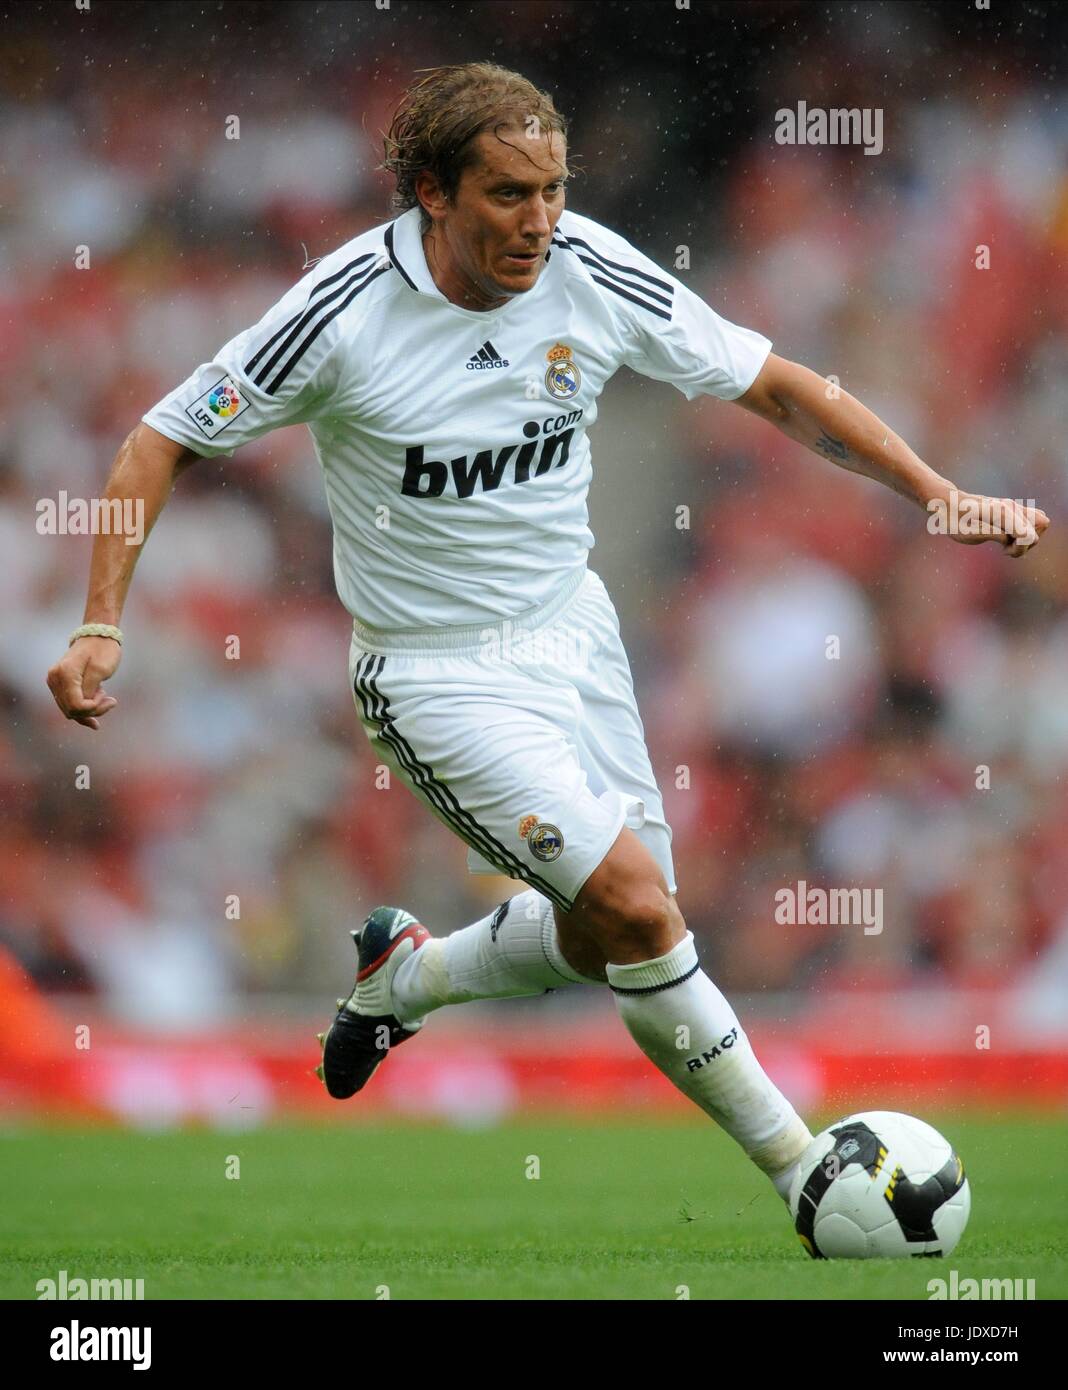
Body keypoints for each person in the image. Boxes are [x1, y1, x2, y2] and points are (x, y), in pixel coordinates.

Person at [47, 62, 1049, 1211]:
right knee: (638, 908)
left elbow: (773, 384)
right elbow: (159, 438)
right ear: (432, 191)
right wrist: (99, 621)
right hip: (433, 672)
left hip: (573, 634)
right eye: (508, 196)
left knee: (607, 936)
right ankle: (806, 1172)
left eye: (554, 190)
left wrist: (934, 492)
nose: (539, 222)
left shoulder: (587, 268)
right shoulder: (341, 312)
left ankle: (406, 978)